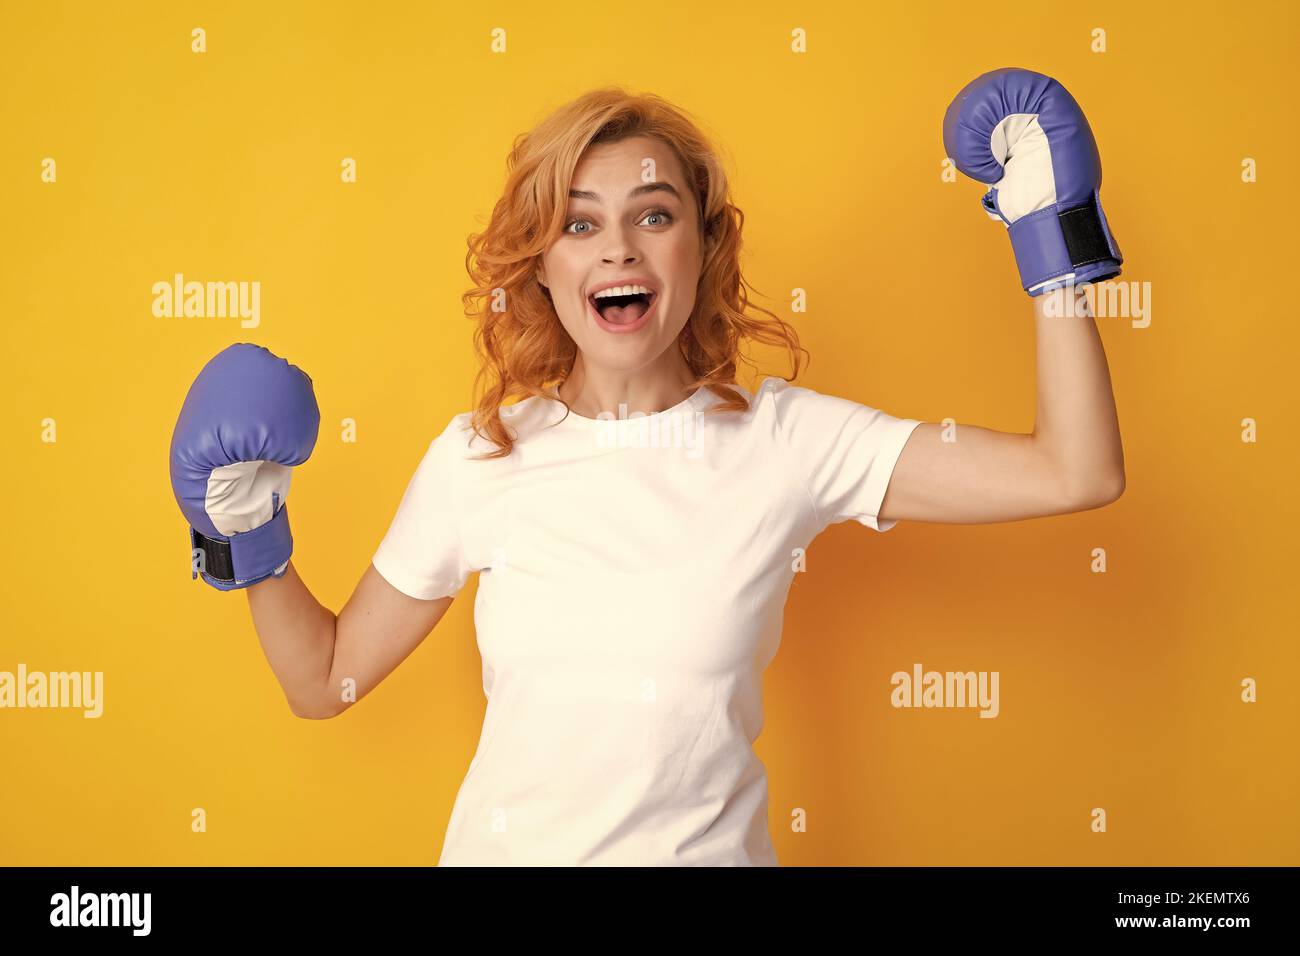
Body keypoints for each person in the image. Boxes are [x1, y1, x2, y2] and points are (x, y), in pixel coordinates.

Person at [169, 70, 1125, 866]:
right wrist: (244, 530)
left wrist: (1056, 244)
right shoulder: (480, 456)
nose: (617, 246)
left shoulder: (785, 441)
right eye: (578, 225)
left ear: (703, 247)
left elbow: (1072, 471)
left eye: (653, 214)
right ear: (541, 265)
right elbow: (323, 682)